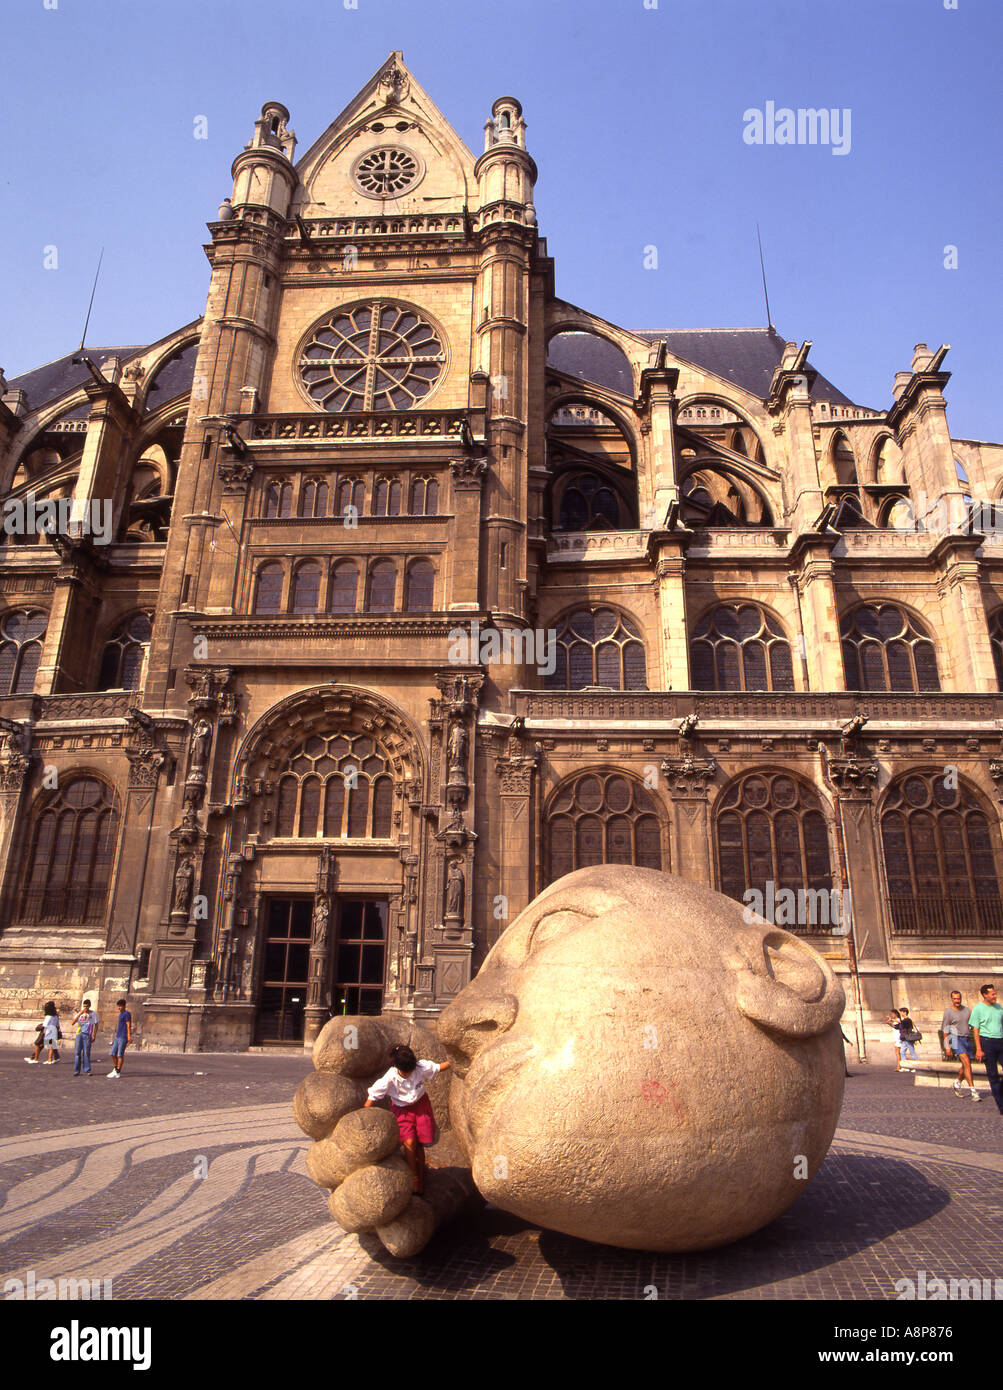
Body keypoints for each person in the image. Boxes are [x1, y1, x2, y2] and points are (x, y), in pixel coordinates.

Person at [364, 1044, 451, 1196]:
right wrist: (364, 1112)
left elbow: (438, 1067)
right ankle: (414, 1178)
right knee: (409, 1142)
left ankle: (421, 1175)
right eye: (406, 1072)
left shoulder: (420, 1067)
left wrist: (455, 1061)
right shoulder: (391, 1077)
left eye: (411, 1070)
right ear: (398, 1068)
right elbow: (374, 1094)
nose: (409, 1074)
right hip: (402, 1111)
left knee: (420, 1143)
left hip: (421, 1106)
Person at [970, 983, 1003, 1115]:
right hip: (987, 1043)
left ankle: (1000, 1090)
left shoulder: (999, 1007)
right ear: (985, 995)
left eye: (995, 993)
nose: (995, 996)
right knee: (993, 1075)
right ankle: (1001, 1106)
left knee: (998, 1079)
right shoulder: (978, 1009)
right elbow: (975, 1030)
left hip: (1001, 1041)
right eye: (992, 994)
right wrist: (978, 1049)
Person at [941, 989, 980, 1102]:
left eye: (958, 998)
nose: (957, 1001)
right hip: (955, 1038)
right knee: (966, 1062)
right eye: (955, 999)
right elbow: (945, 1031)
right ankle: (973, 1091)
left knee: (966, 1064)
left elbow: (973, 1025)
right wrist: (947, 1047)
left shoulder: (967, 1010)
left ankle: (957, 1082)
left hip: (967, 1038)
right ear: (951, 999)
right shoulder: (948, 1012)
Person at [71, 999, 99, 1076]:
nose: (85, 1008)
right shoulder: (80, 1013)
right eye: (84, 1006)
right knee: (77, 1052)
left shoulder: (93, 1014)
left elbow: (96, 1025)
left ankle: (87, 1070)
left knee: (86, 1052)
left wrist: (94, 1035)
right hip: (79, 1034)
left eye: (87, 1006)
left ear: (89, 1006)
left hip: (87, 1034)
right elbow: (72, 1022)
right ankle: (76, 1070)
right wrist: (80, 1013)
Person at [107, 999, 132, 1078]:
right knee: (112, 1053)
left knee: (120, 1054)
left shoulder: (127, 1014)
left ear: (124, 1006)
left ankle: (118, 1071)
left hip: (123, 1036)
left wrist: (128, 1035)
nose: (119, 1008)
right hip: (118, 1036)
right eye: (118, 1006)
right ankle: (116, 1068)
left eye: (120, 1006)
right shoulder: (120, 1014)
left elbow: (128, 1025)